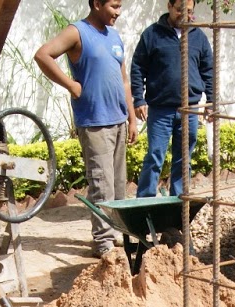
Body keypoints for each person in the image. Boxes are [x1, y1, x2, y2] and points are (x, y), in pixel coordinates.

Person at [35, 0, 139, 255]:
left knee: (117, 186)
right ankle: (103, 243)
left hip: (118, 120)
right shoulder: (77, 32)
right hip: (94, 123)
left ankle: (115, 234)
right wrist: (71, 85)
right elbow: (42, 55)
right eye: (114, 6)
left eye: (120, 6)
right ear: (96, 4)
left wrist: (132, 117)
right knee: (101, 184)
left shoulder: (113, 36)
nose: (118, 12)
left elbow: (124, 81)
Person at [130, 0, 214, 197]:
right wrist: (138, 99)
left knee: (184, 159)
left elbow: (208, 71)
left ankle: (179, 203)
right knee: (155, 156)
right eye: (179, 10)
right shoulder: (152, 35)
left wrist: (211, 101)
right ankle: (145, 203)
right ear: (169, 6)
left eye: (189, 11)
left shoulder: (198, 37)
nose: (184, 15)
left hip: (190, 109)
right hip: (160, 109)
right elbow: (137, 67)